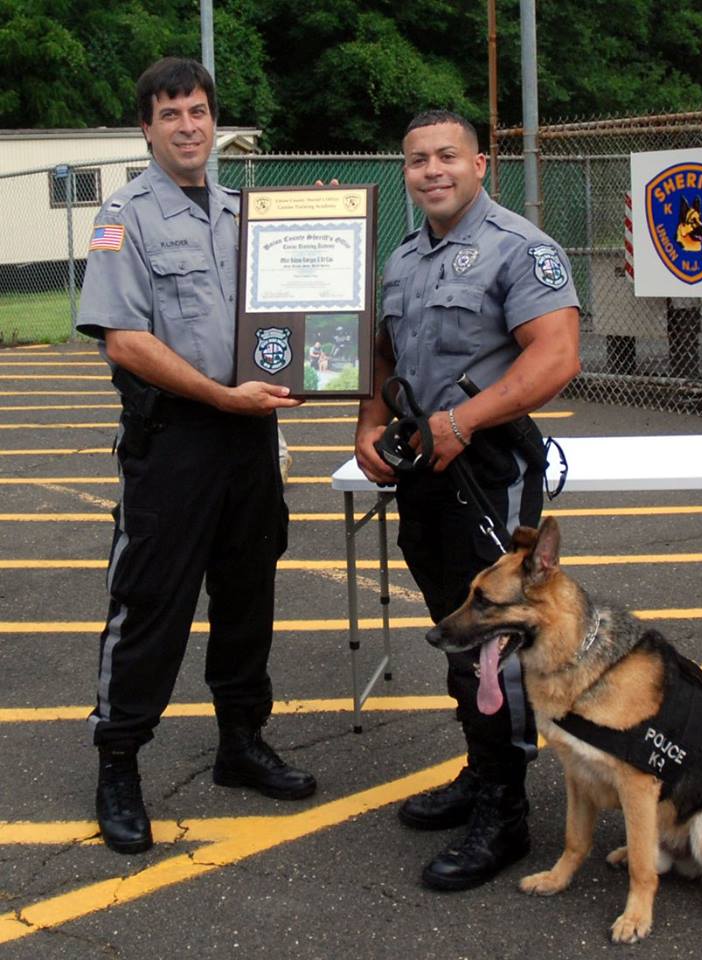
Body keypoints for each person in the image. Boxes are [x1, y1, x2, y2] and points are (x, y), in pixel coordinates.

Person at [76, 57, 316, 856]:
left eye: (199, 111)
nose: (187, 125)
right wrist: (219, 397)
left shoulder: (248, 213)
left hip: (248, 437)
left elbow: (283, 317)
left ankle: (240, 743)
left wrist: (306, 372)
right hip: (175, 440)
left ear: (217, 123)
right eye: (170, 112)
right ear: (146, 127)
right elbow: (125, 340)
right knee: (151, 602)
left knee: (247, 596)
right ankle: (119, 763)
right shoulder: (123, 217)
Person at [354, 110, 581, 891]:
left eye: (447, 155)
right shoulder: (404, 258)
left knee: (501, 642)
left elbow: (555, 356)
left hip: (487, 469)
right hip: (424, 471)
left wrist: (461, 420)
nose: (431, 170)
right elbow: (382, 354)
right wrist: (370, 423)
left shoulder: (522, 248)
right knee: (458, 633)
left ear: (481, 162)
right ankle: (482, 772)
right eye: (417, 159)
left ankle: (506, 815)